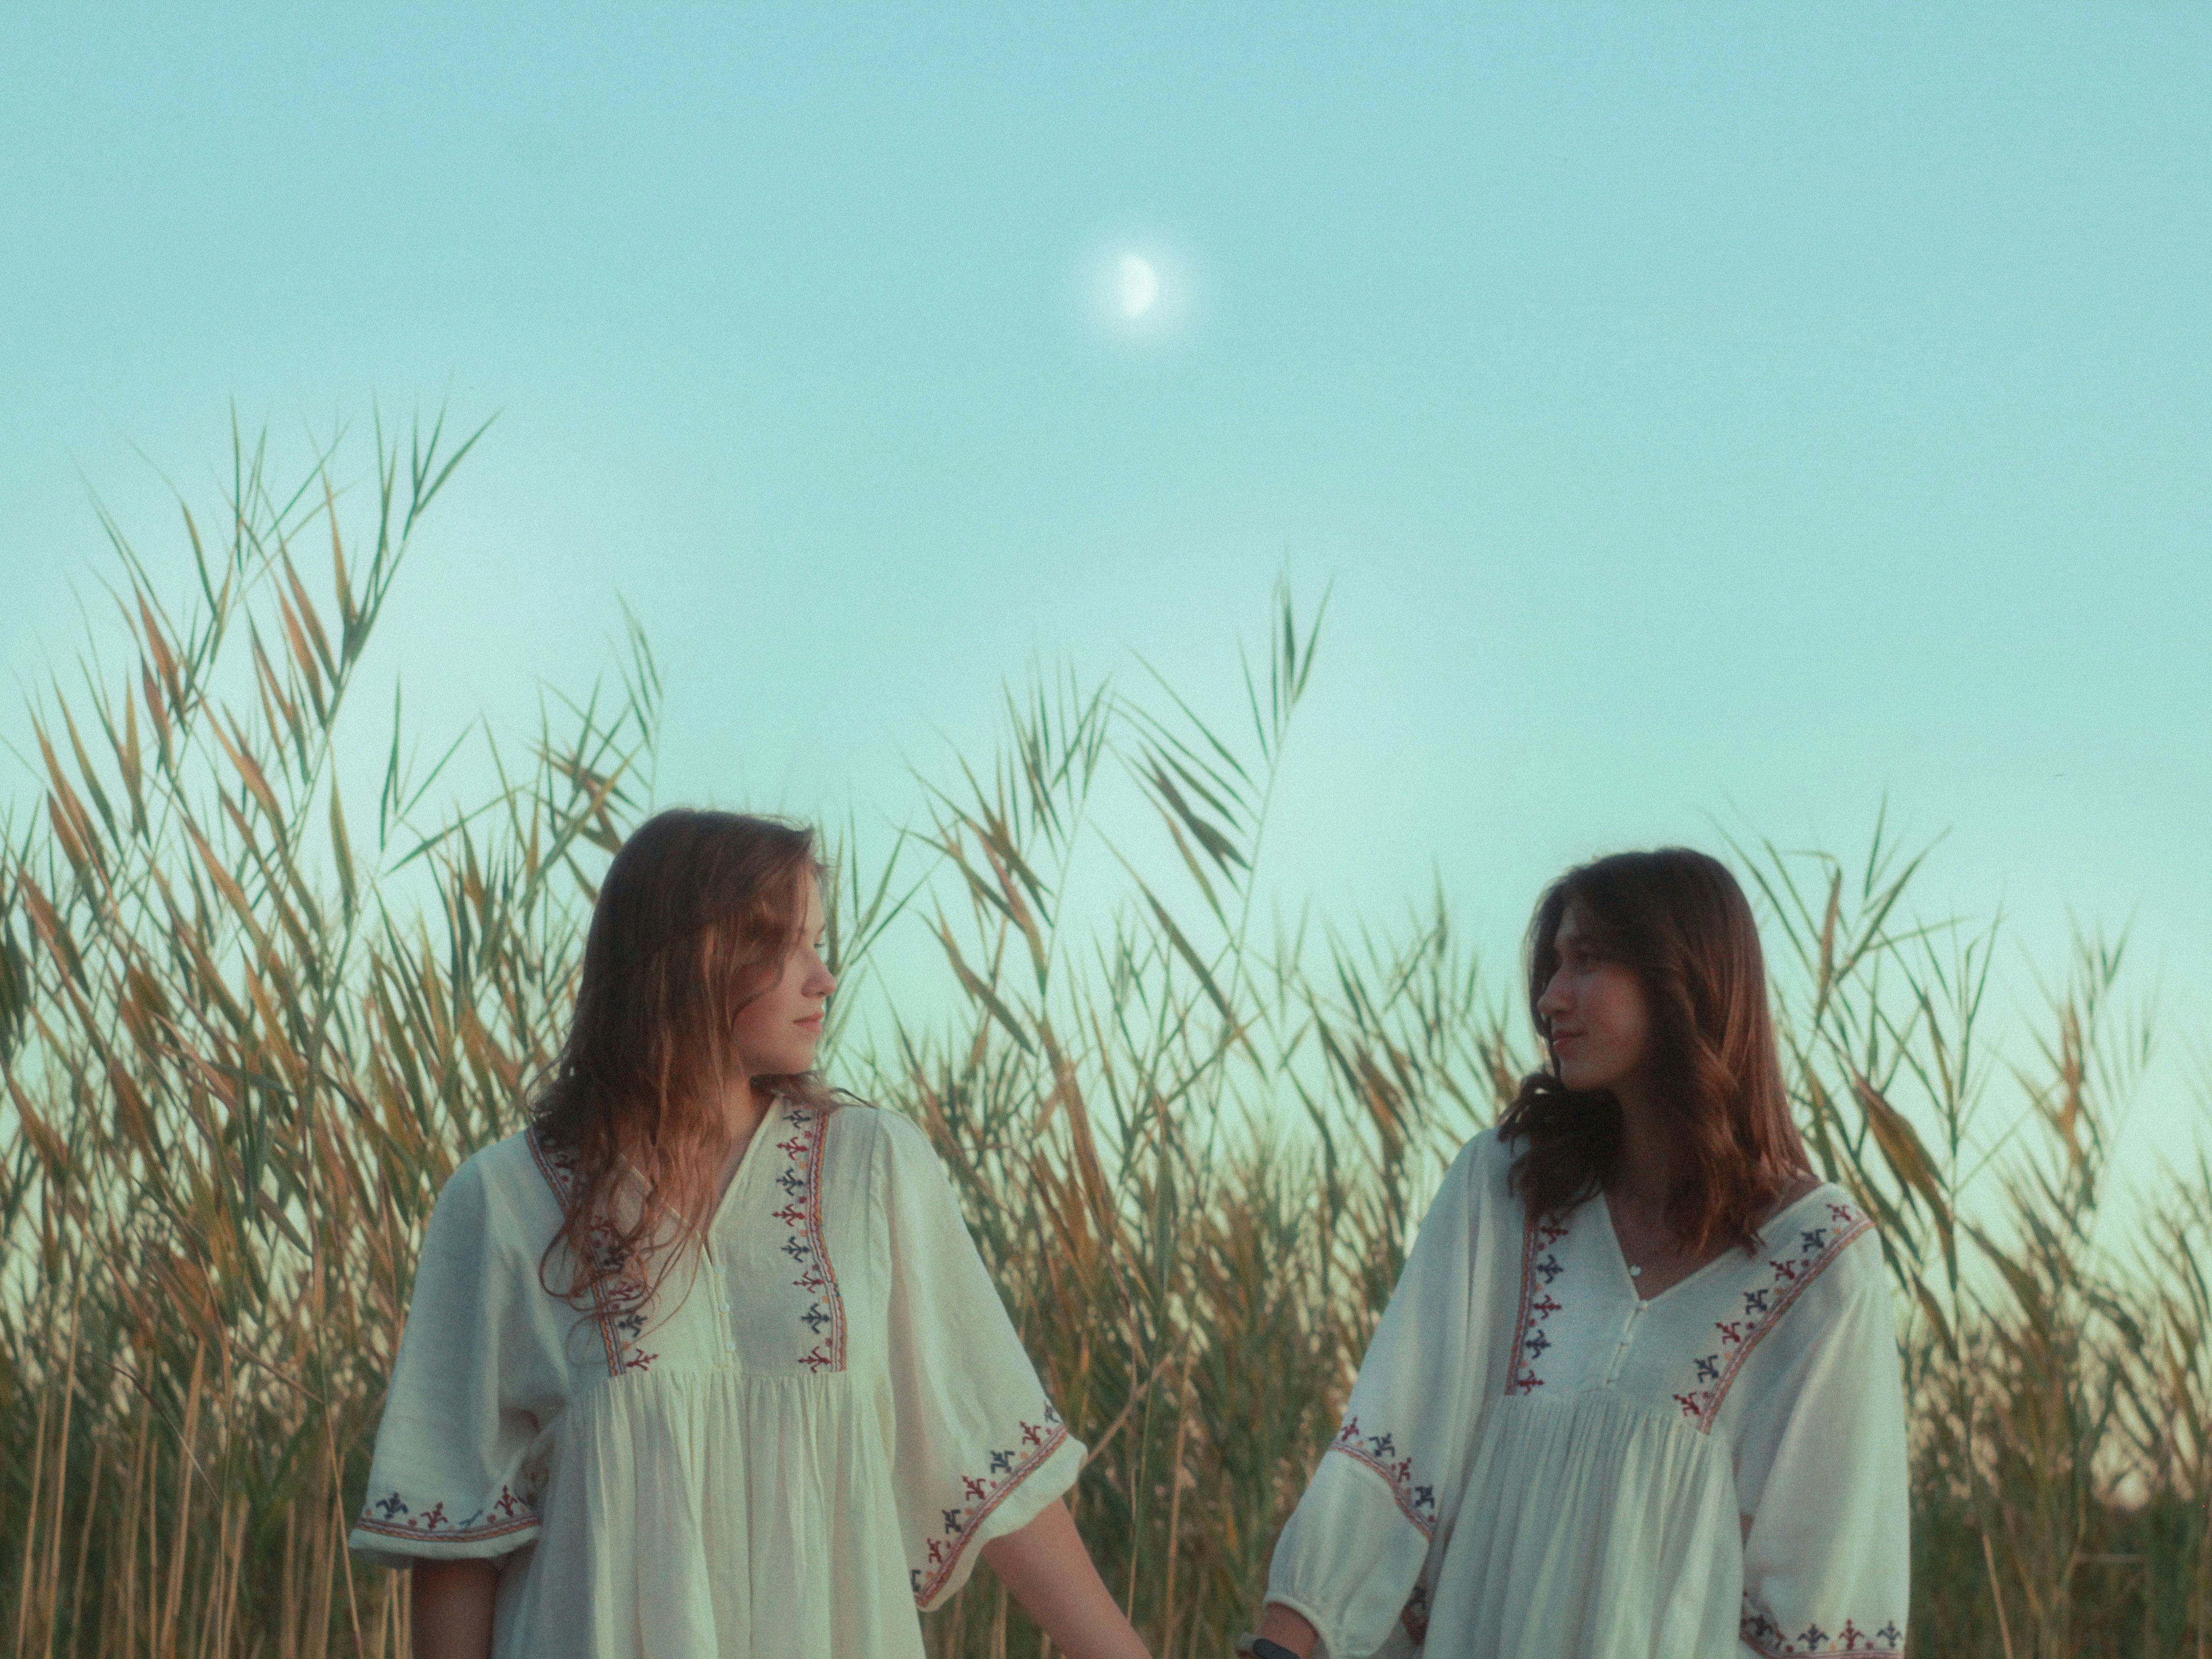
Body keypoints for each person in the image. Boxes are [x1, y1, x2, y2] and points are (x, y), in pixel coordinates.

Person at [349, 809, 1151, 1659]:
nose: (825, 978)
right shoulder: (503, 1200)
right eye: (788, 945)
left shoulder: (874, 1170)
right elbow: (458, 1542)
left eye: (820, 941)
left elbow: (987, 1455)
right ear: (691, 960)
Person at [1241, 848, 1909, 1659]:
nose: (1551, 998)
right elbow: (1389, 1449)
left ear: (1685, 979)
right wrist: (1284, 1644)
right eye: (1552, 965)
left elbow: (1820, 1587)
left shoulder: (1820, 1260)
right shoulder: (1501, 1189)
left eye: (1588, 961)